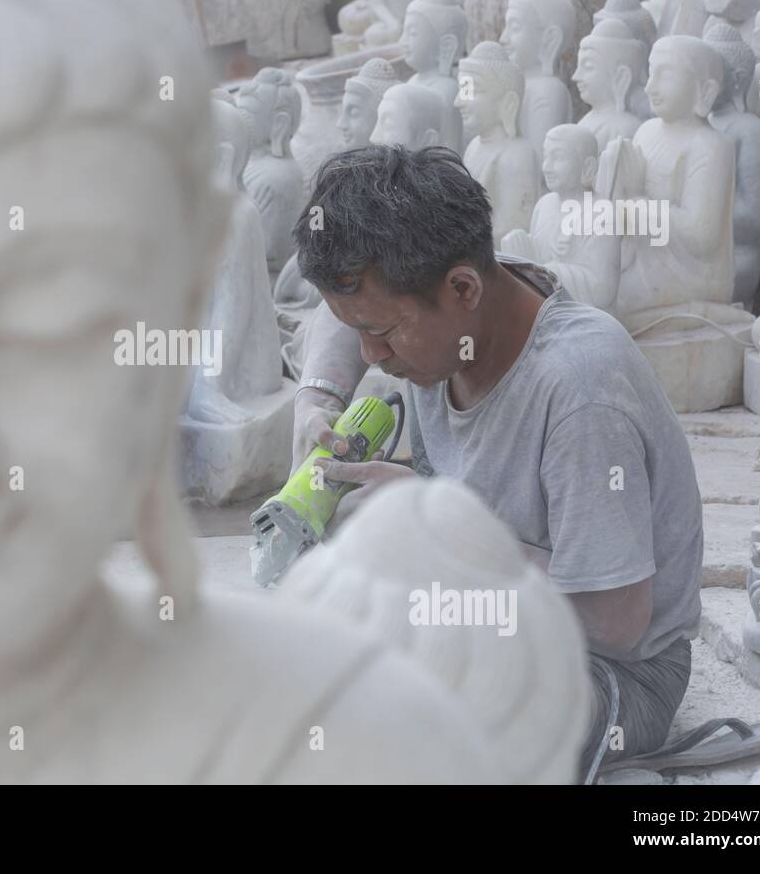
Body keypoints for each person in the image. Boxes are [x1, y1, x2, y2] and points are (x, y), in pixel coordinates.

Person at [291, 145, 702, 778]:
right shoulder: (445, 306)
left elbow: (616, 621)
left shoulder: (580, 392)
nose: (371, 353)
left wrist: (441, 528)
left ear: (462, 289)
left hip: (609, 673)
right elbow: (345, 311)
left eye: (385, 332)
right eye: (362, 329)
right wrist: (317, 397)